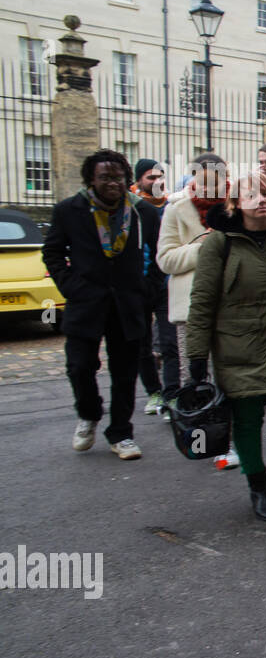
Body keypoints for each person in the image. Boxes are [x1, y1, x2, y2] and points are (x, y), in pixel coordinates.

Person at [186, 173, 266, 520]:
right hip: (237, 347)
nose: (260, 200)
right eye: (250, 195)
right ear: (234, 203)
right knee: (246, 421)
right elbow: (202, 300)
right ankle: (258, 485)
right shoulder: (219, 243)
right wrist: (196, 355)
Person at [42, 149, 157, 459]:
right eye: (105, 177)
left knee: (124, 372)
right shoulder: (69, 210)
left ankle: (121, 433)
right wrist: (70, 287)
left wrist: (146, 292)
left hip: (128, 305)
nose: (113, 183)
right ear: (90, 180)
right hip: (85, 303)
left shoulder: (141, 212)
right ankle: (89, 414)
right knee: (79, 366)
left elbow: (158, 256)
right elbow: (51, 253)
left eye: (119, 177)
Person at [157, 153, 240, 470]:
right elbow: (166, 260)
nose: (208, 186)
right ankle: (199, 438)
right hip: (191, 306)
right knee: (194, 374)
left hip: (231, 301)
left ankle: (226, 445)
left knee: (228, 375)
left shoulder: (237, 203)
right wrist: (203, 246)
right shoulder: (176, 208)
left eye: (215, 179)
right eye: (202, 179)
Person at [129, 158, 178, 414]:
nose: (157, 182)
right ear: (138, 180)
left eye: (160, 177)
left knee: (169, 343)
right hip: (135, 284)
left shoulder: (170, 206)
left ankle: (171, 394)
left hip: (164, 282)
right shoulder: (128, 207)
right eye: (150, 177)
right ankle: (154, 392)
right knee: (142, 343)